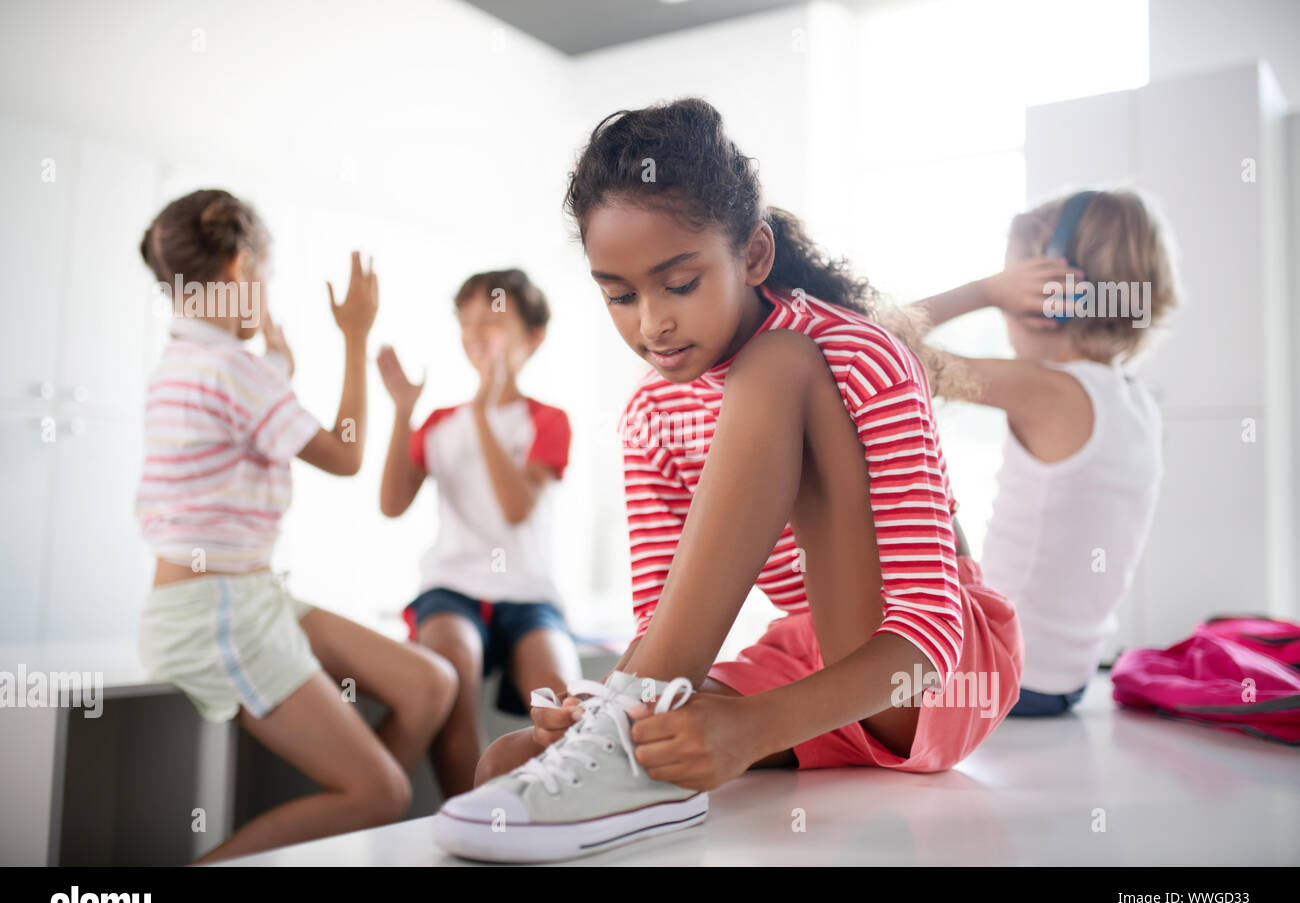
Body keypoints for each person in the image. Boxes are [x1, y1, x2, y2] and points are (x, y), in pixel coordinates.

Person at [431, 98, 1022, 863]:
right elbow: (662, 633)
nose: (651, 325)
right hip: (805, 658)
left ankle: (630, 733)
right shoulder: (650, 414)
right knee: (508, 763)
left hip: (921, 671)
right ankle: (618, 740)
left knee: (776, 367)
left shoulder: (856, 355)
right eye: (619, 294)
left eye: (679, 283)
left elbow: (931, 635)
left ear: (752, 256)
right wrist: (611, 711)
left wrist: (751, 730)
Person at [135, 189, 456, 863]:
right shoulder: (230, 369)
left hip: (237, 597)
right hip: (218, 612)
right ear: (238, 272)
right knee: (381, 793)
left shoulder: (193, 360)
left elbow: (241, 423)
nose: (268, 298)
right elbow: (344, 452)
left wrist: (276, 368)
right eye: (265, 279)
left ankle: (357, 828)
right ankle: (367, 807)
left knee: (432, 685)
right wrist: (357, 335)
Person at [911, 188, 1177, 716]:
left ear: (1051, 296)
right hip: (1062, 681)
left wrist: (985, 289)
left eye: (1016, 287)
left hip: (1001, 677)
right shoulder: (1134, 400)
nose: (1006, 307)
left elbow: (879, 346)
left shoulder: (1051, 392)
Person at [377, 268, 581, 797]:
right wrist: (403, 413)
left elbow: (515, 507)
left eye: (492, 320)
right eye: (466, 323)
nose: (475, 333)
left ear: (533, 338)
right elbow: (392, 504)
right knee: (454, 666)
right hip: (451, 590)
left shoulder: (549, 419)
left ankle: (544, 818)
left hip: (528, 593)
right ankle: (472, 817)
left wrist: (485, 413)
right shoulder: (440, 422)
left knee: (563, 698)